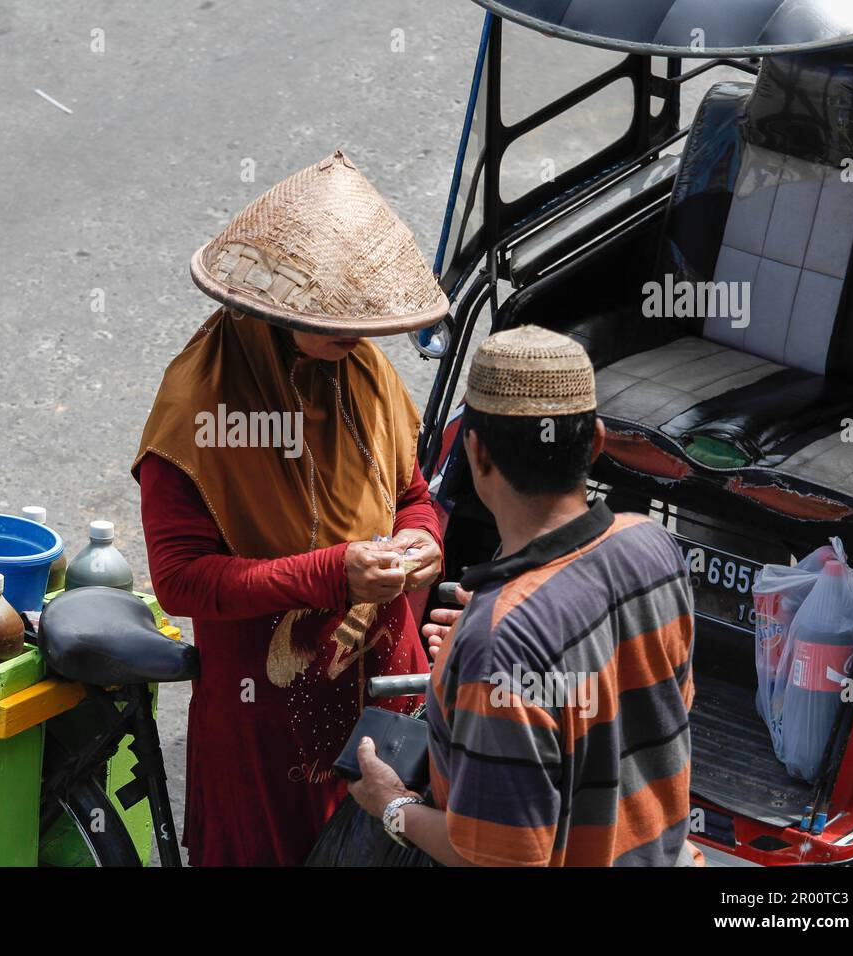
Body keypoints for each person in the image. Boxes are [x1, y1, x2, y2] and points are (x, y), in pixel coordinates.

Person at [133, 150, 449, 866]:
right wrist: (332, 573)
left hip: (382, 698)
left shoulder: (360, 368)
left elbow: (412, 494)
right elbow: (182, 581)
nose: (358, 339)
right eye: (334, 321)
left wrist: (422, 537)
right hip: (266, 719)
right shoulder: (199, 411)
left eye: (362, 324)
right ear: (271, 314)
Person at [350, 325, 699, 866]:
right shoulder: (653, 548)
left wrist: (392, 804)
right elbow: (643, 706)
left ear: (477, 453)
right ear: (598, 442)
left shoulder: (500, 643)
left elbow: (497, 859)